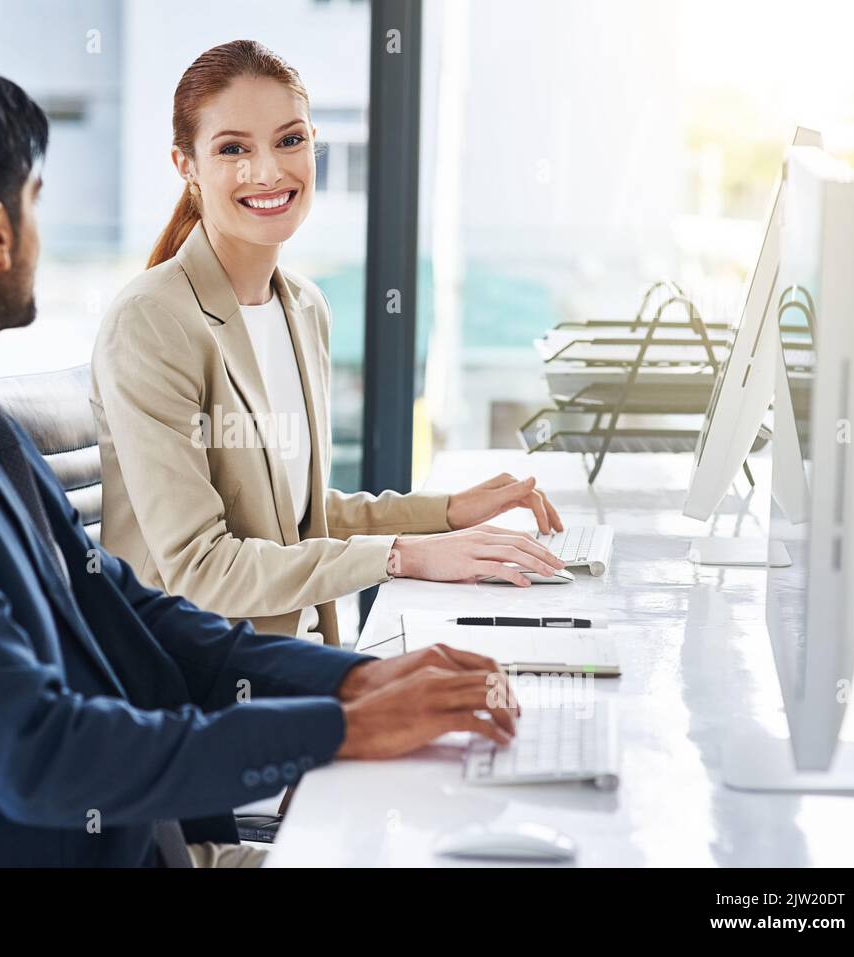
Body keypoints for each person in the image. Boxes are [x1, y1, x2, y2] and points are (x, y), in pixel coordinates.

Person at [0, 67, 520, 868]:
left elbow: (136, 617)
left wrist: (354, 682)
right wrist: (340, 730)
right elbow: (41, 752)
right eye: (36, 200)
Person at [92, 40, 565, 647]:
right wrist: (401, 556)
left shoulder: (303, 307)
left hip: (300, 656)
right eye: (233, 149)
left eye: (289, 141)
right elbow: (201, 570)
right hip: (204, 680)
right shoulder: (152, 321)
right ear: (186, 166)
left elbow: (297, 517)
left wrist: (447, 514)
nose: (267, 171)